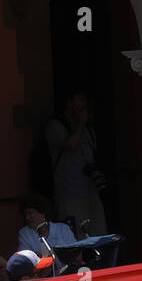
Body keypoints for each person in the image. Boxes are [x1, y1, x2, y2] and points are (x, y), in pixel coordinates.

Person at [45, 91, 107, 235]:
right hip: (70, 196)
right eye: (80, 99)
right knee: (76, 238)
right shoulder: (56, 126)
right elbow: (70, 145)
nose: (83, 104)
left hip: (91, 193)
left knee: (99, 236)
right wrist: (80, 124)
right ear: (69, 102)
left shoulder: (88, 128)